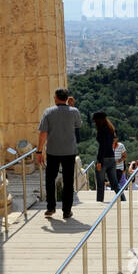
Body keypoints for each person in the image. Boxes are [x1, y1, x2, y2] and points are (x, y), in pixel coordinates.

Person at [37, 88, 82, 219]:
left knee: (50, 179)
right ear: (67, 98)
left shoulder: (48, 112)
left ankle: (51, 207)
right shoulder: (74, 111)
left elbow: (43, 133)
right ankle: (67, 211)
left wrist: (39, 151)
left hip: (53, 151)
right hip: (69, 151)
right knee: (68, 181)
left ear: (56, 98)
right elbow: (77, 124)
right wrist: (72, 107)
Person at [92, 111, 119, 202]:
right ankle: (123, 200)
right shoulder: (111, 129)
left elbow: (102, 147)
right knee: (115, 184)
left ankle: (99, 202)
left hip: (103, 159)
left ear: (98, 120)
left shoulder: (101, 131)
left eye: (95, 121)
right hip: (111, 157)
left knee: (100, 184)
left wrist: (99, 161)